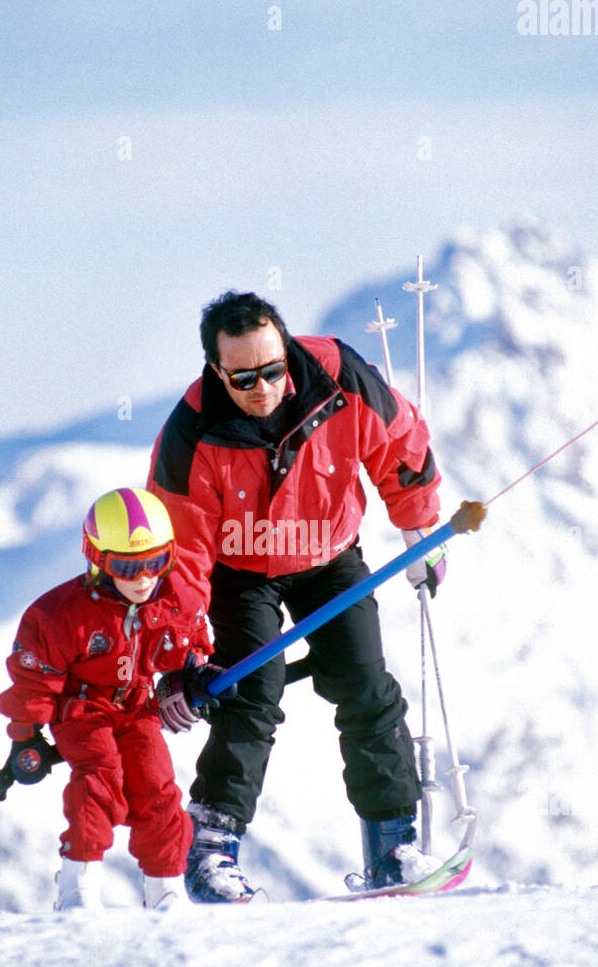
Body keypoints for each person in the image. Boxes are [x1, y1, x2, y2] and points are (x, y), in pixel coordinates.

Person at [147, 290, 447, 902]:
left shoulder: (340, 377)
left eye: (273, 368)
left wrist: (419, 527)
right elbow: (180, 556)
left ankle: (392, 847)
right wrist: (180, 657)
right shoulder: (191, 434)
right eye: (244, 377)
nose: (262, 387)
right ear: (216, 372)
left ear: (287, 350)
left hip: (330, 558)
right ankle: (210, 853)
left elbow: (401, 442)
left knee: (366, 685)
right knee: (249, 691)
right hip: (240, 573)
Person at [0, 487, 227, 911]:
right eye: (126, 566)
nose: (143, 579)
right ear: (98, 561)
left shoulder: (177, 599)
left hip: (138, 707)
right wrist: (26, 735)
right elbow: (33, 677)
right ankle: (78, 884)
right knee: (101, 779)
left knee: (156, 786)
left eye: (155, 564)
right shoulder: (62, 614)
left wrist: (195, 674)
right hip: (83, 708)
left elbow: (186, 645)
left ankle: (165, 888)